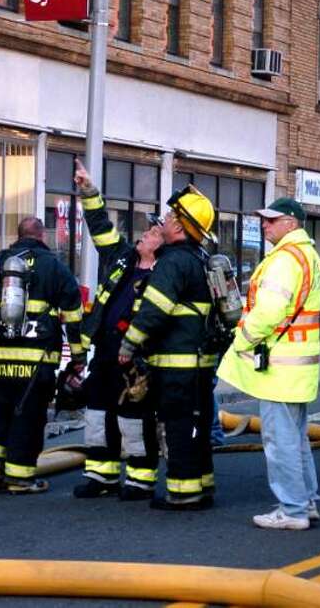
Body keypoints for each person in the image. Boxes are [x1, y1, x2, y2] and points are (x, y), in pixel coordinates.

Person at [0, 217, 86, 494]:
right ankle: (20, 478)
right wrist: (78, 357)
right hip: (36, 363)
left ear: (18, 236)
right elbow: (74, 315)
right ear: (42, 237)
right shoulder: (54, 267)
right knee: (28, 417)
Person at [217, 197, 320, 530]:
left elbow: (269, 312)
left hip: (280, 368)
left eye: (271, 220)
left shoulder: (284, 260)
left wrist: (242, 339)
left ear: (290, 223)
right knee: (296, 438)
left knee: (280, 442)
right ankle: (306, 503)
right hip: (298, 368)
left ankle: (292, 512)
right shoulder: (308, 255)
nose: (264, 225)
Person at [116, 184, 218, 511]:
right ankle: (202, 486)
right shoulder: (201, 260)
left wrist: (128, 345)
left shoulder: (172, 262)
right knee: (198, 425)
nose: (165, 219)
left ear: (179, 225)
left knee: (177, 425)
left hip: (177, 365)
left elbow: (154, 310)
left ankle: (183, 493)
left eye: (172, 215)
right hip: (200, 363)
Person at [70, 160, 162, 500]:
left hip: (136, 361)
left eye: (153, 234)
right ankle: (101, 474)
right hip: (106, 352)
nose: (144, 235)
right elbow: (99, 226)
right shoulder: (121, 259)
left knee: (134, 418)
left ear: (162, 245)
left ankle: (139, 479)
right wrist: (88, 191)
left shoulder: (162, 274)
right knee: (97, 414)